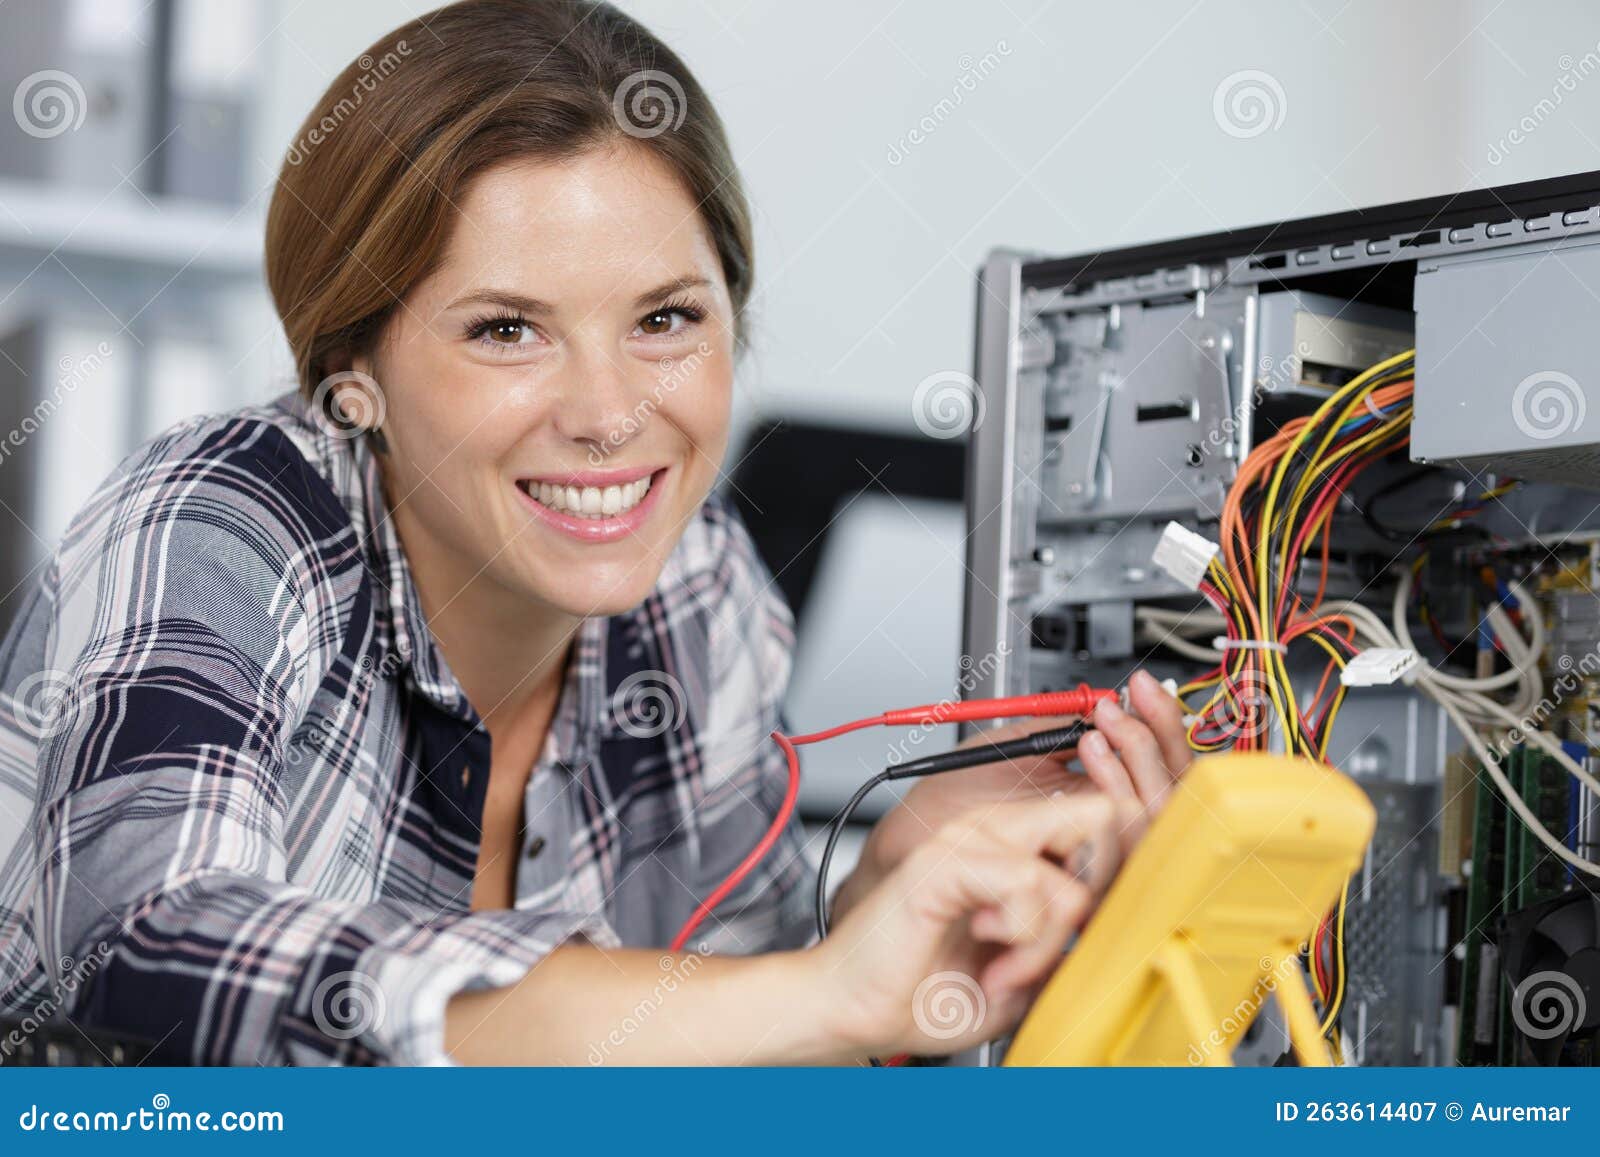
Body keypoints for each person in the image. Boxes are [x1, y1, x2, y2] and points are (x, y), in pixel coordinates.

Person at [0, 0, 1192, 1066]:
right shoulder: (224, 518)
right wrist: (816, 990)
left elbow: (725, 1029)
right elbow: (146, 963)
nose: (611, 415)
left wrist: (876, 891)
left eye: (666, 317)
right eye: (507, 330)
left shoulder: (701, 593)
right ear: (351, 369)